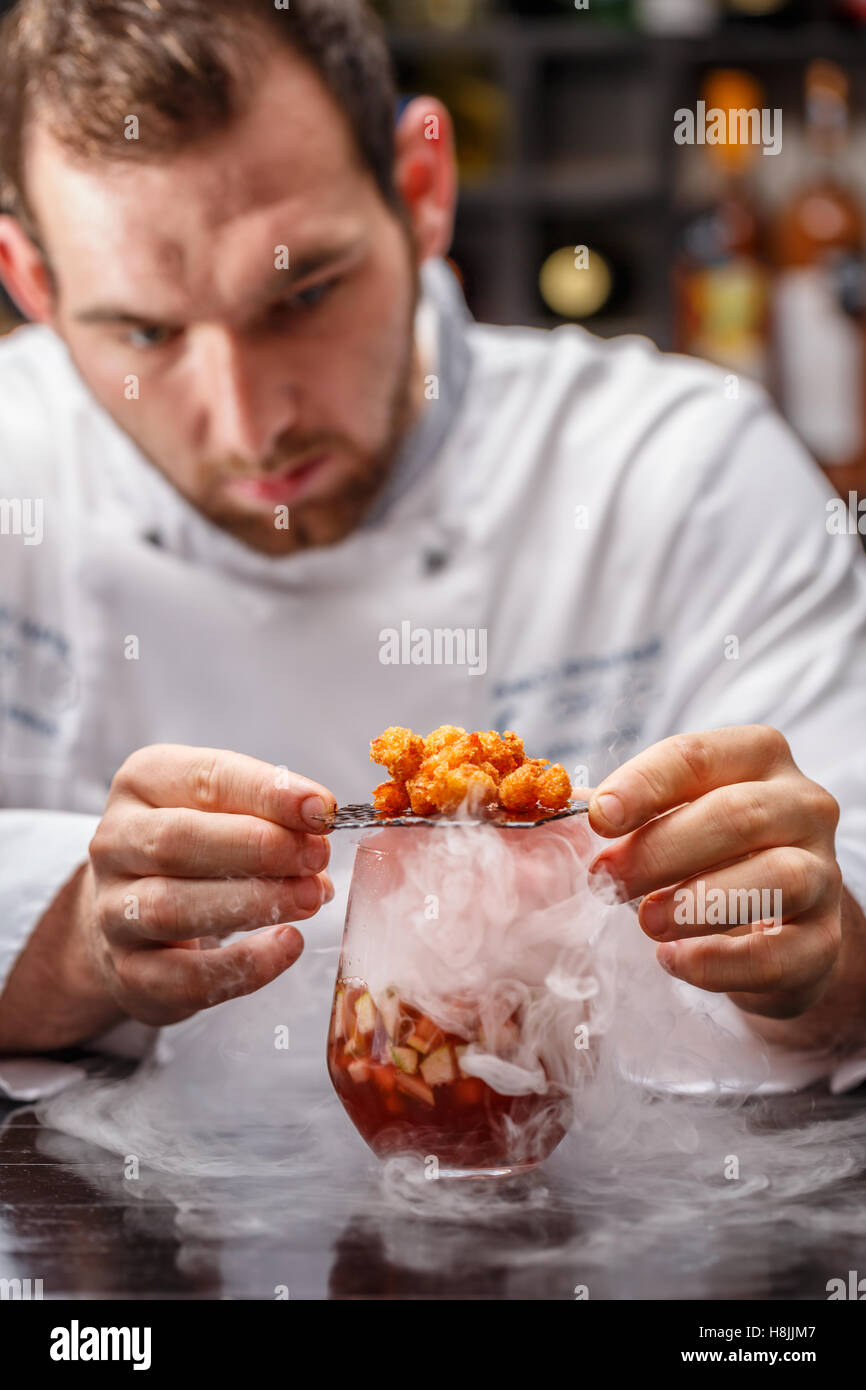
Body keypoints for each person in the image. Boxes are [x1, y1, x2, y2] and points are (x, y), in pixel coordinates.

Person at [0, 0, 864, 1103]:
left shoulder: (682, 473)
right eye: (144, 333)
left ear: (420, 192)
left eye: (302, 293)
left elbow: (848, 903)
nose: (250, 421)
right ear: (32, 282)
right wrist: (74, 939)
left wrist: (815, 939)